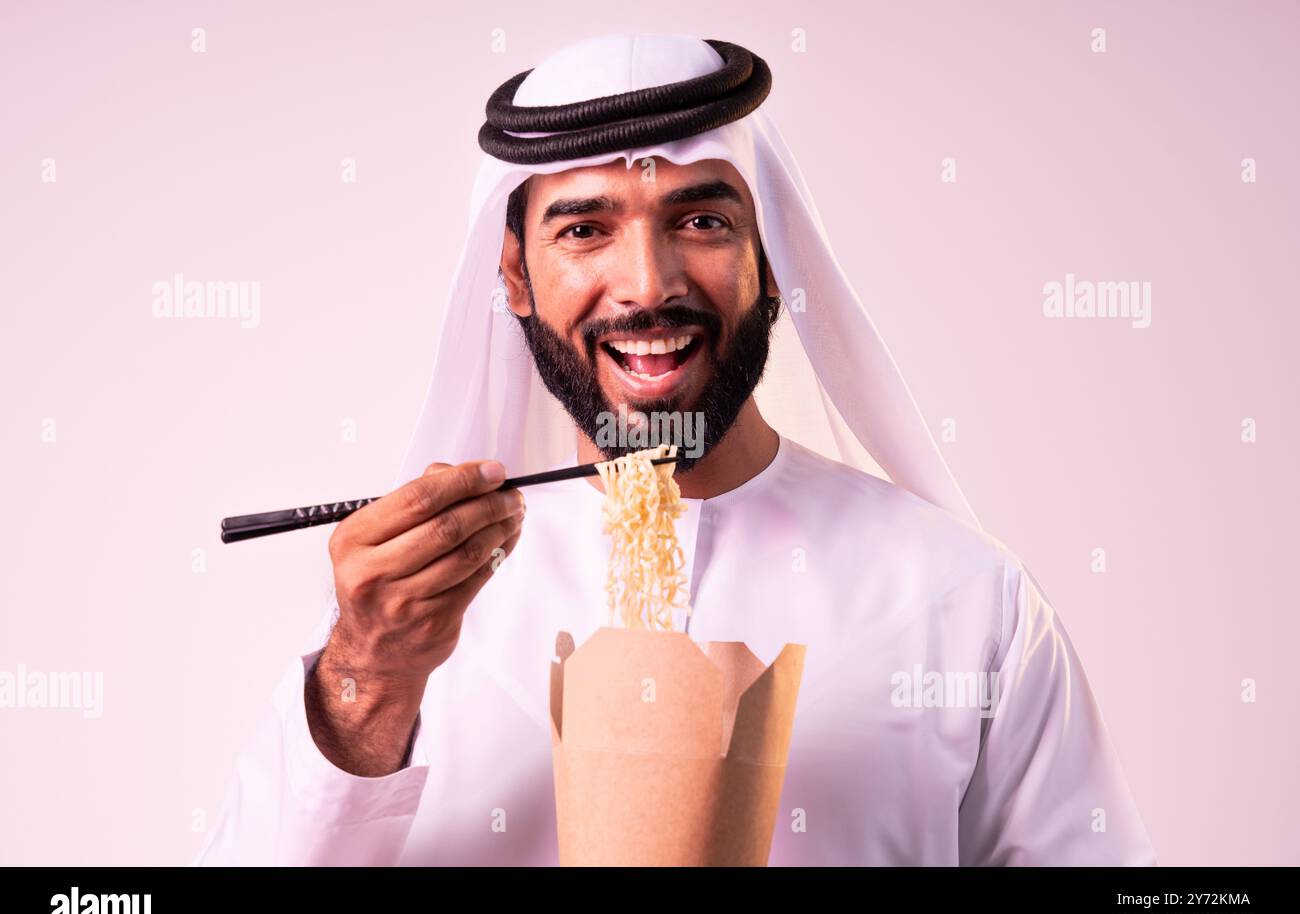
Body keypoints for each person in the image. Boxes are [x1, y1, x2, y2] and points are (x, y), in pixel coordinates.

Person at [195, 33, 1156, 866]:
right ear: (515, 275)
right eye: (584, 228)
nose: (646, 284)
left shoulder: (963, 601)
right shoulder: (413, 613)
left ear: (770, 259)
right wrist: (367, 678)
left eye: (701, 220)